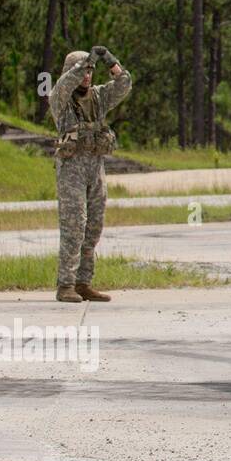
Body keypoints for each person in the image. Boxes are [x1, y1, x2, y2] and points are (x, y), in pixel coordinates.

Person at [48, 46, 131, 303]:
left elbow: (124, 84)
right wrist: (87, 61)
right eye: (84, 71)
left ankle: (83, 283)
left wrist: (110, 61)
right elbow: (66, 82)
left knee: (94, 226)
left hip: (95, 166)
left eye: (91, 72)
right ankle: (65, 286)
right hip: (72, 168)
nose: (87, 76)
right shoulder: (60, 97)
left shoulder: (99, 96)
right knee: (74, 225)